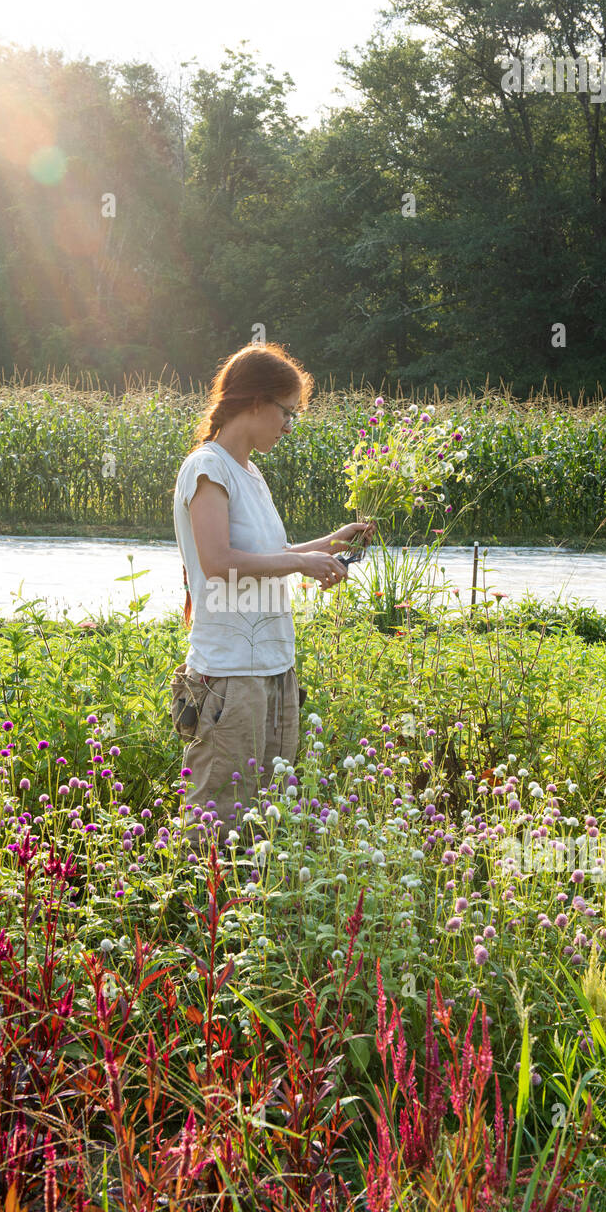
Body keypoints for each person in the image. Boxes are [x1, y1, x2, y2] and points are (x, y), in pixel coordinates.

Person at [170, 342, 376, 852]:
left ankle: (248, 924)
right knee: (216, 820)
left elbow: (271, 553)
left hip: (272, 666)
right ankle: (203, 923)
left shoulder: (251, 473)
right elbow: (218, 560)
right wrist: (302, 563)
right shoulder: (208, 468)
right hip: (230, 672)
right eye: (287, 413)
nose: (289, 426)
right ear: (257, 402)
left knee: (263, 815)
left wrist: (331, 543)